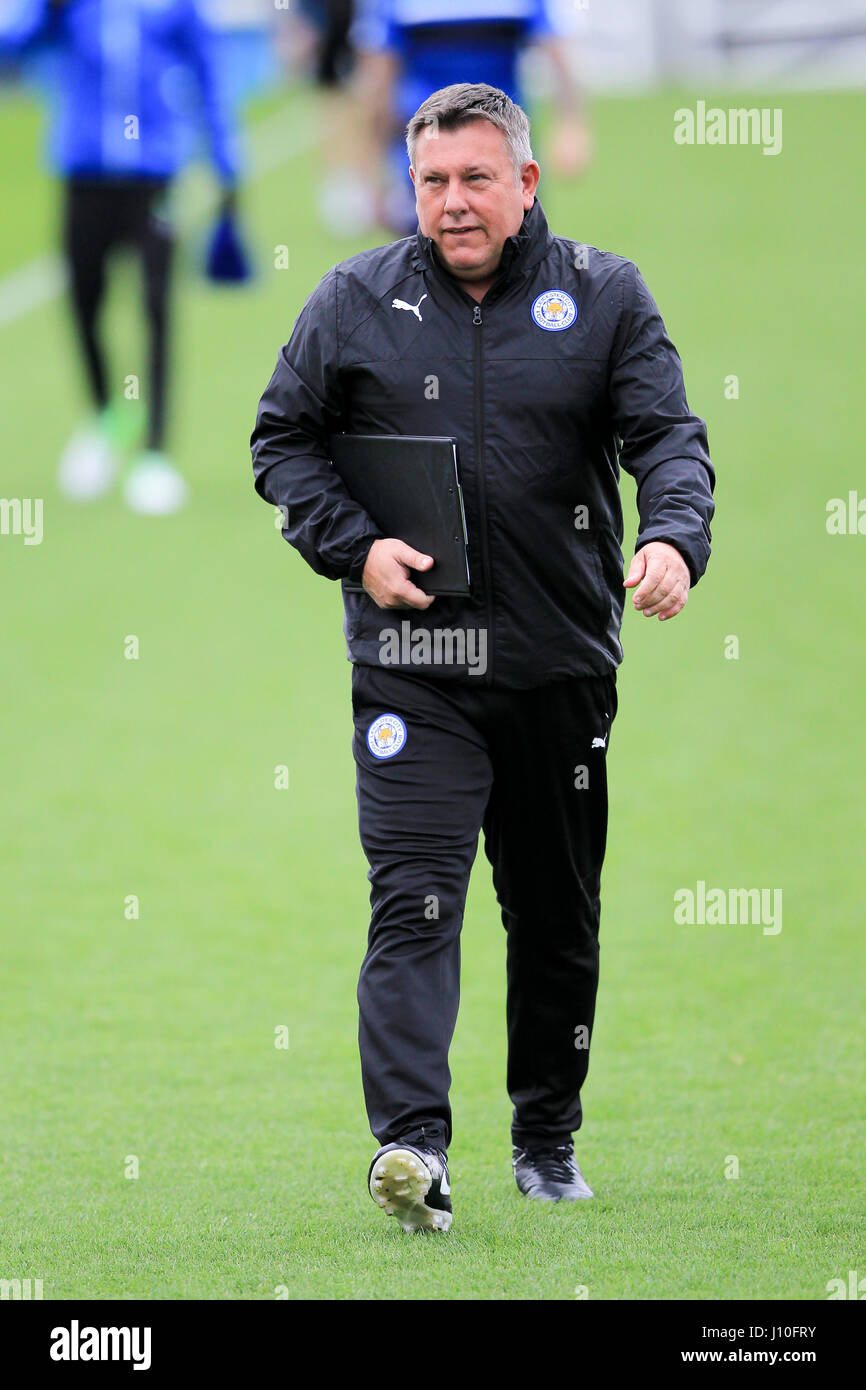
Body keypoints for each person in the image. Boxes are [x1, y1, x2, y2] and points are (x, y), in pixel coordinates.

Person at [250, 83, 714, 1234]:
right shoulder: (351, 301)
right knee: (412, 898)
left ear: (523, 183)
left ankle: (546, 1138)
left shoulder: (603, 296)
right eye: (429, 182)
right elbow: (280, 442)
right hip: (413, 657)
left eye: (471, 179)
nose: (449, 204)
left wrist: (670, 537)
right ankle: (411, 1146)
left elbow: (665, 435)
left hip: (559, 661)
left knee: (553, 913)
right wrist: (354, 550)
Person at [0, 0, 239, 514]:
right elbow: (14, 41)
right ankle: (105, 415)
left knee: (155, 304)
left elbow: (208, 70)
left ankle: (155, 452)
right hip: (83, 170)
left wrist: (225, 161)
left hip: (154, 172)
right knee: (84, 299)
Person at [351, 0, 590, 234]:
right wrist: (372, 173)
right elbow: (378, 85)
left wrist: (571, 128)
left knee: (505, 254)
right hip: (436, 147)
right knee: (427, 257)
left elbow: (558, 56)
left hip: (495, 144)